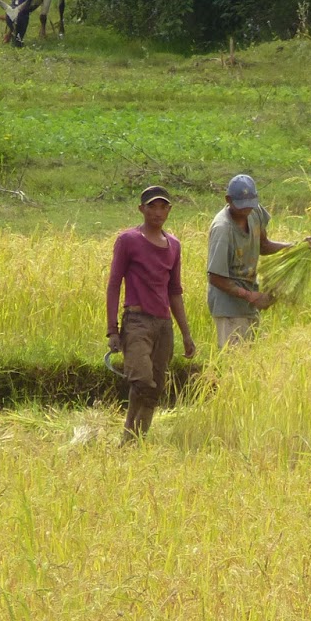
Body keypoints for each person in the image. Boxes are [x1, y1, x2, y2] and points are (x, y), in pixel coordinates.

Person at [106, 185, 198, 441]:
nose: (158, 212)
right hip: (136, 322)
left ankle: (134, 441)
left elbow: (175, 292)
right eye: (152, 206)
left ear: (169, 210)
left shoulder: (174, 245)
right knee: (143, 380)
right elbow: (114, 284)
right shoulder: (128, 240)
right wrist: (112, 330)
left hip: (163, 325)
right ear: (141, 209)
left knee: (154, 388)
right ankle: (129, 435)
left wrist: (186, 335)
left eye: (163, 207)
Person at [206, 174, 311, 349]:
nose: (246, 210)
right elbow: (215, 277)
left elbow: (263, 245)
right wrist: (250, 296)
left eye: (250, 204)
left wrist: (297, 247)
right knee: (235, 362)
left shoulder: (254, 211)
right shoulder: (222, 229)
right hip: (229, 307)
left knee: (250, 359)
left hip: (249, 300)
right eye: (242, 206)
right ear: (228, 200)